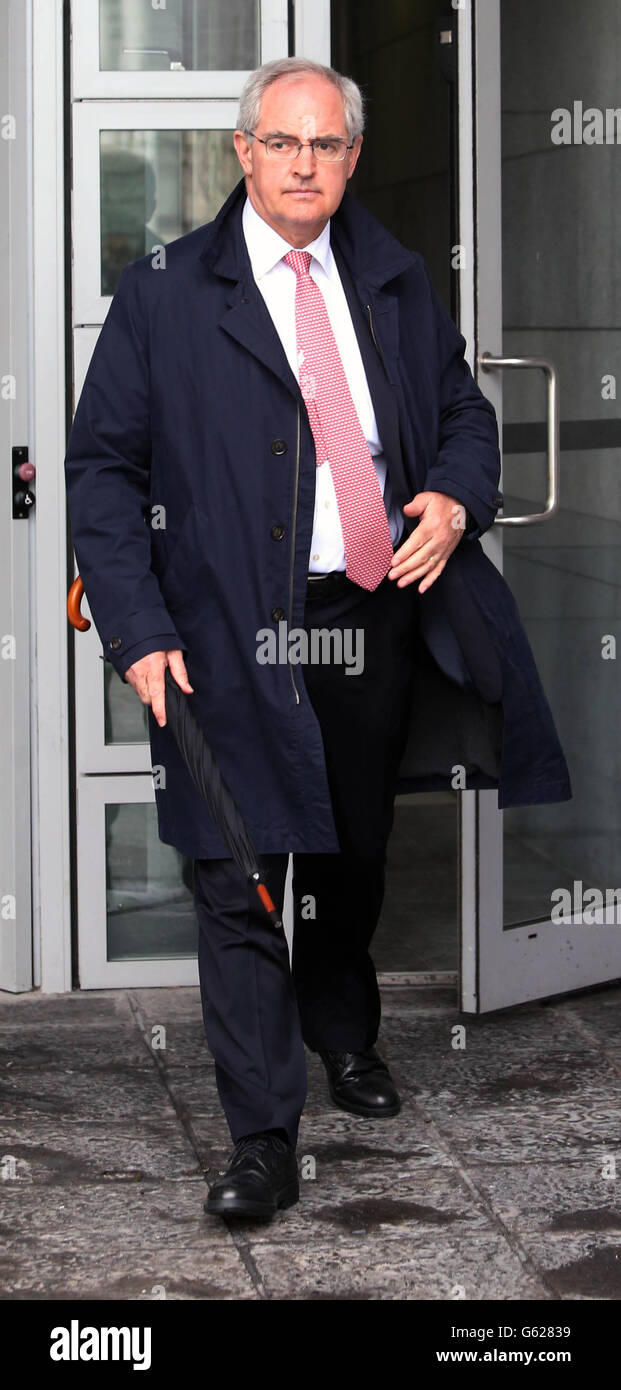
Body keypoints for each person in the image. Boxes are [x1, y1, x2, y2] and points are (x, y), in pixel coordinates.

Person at [64, 57, 571, 1222]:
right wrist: (136, 629)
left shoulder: (390, 279)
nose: (305, 164)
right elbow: (102, 472)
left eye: (327, 145)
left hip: (366, 618)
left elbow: (461, 413)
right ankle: (260, 1134)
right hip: (220, 638)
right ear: (244, 153)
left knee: (350, 851)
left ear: (350, 159)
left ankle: (345, 1034)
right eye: (283, 143)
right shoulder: (167, 293)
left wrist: (453, 497)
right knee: (236, 874)